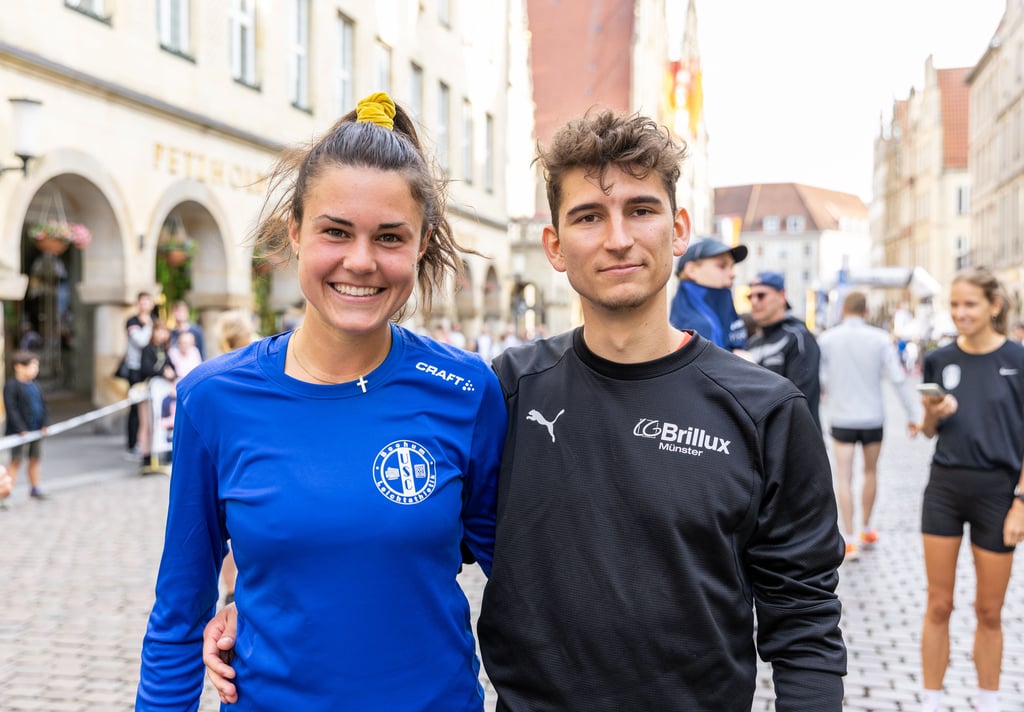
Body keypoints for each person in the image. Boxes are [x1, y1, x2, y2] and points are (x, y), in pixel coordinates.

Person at [205, 108, 846, 709]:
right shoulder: (504, 391)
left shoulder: (764, 410)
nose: (619, 238)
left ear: (678, 229)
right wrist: (252, 601)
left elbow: (806, 618)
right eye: (590, 216)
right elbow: (395, 531)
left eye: (641, 209)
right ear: (555, 245)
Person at [136, 92, 506, 711]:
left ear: (422, 242)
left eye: (390, 237)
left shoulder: (468, 391)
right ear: (295, 233)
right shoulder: (215, 399)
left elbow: (520, 583)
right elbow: (177, 616)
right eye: (336, 231)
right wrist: (238, 605)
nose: (360, 262)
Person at [915, 266, 1024, 712]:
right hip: (944, 488)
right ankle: (931, 700)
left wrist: (1020, 502)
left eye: (970, 304)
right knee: (939, 604)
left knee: (989, 611)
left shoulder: (1018, 360)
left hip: (998, 494)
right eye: (955, 305)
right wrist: (935, 413)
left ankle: (989, 700)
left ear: (993, 307)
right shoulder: (939, 359)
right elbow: (926, 432)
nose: (960, 313)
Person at [818, 290, 919, 561]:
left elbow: (821, 379)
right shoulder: (879, 339)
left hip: (842, 417)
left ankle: (849, 538)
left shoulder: (827, 340)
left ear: (843, 310)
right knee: (871, 472)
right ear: (866, 312)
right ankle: (866, 528)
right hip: (872, 416)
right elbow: (898, 378)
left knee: (844, 476)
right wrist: (912, 415)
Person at [212, 309, 258, 607]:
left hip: (225, 454)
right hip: (254, 453)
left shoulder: (217, 370)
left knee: (225, 532)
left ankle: (230, 588)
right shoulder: (263, 363)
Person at [745, 271, 822, 427]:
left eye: (761, 295)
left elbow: (799, 398)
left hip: (796, 439)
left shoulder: (798, 337)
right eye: (750, 296)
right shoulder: (753, 342)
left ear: (781, 296)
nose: (754, 301)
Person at [669, 236, 749, 350]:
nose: (733, 274)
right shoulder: (695, 328)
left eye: (732, 267)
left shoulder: (718, 309)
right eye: (722, 266)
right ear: (692, 270)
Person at [2, 350, 49, 504]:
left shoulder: (36, 386)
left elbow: (43, 406)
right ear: (19, 367)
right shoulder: (11, 386)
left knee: (35, 459)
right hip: (19, 433)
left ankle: (35, 488)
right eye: (32, 366)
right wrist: (20, 428)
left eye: (36, 366)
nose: (35, 369)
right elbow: (11, 409)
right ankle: (5, 493)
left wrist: (44, 424)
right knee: (16, 461)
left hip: (36, 430)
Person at [135, 320, 176, 468]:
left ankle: (159, 456)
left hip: (161, 394)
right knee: (146, 423)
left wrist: (171, 373)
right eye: (159, 330)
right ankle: (145, 457)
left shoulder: (164, 349)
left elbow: (171, 366)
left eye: (165, 331)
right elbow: (145, 369)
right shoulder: (148, 349)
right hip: (148, 393)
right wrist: (162, 372)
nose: (162, 334)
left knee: (159, 424)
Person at [124, 291, 155, 454]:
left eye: (147, 302)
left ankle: (148, 442)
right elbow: (141, 341)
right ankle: (132, 442)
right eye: (141, 302)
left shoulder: (155, 320)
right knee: (136, 407)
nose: (144, 305)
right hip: (135, 369)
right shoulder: (132, 321)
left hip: (150, 369)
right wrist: (149, 326)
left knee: (150, 407)